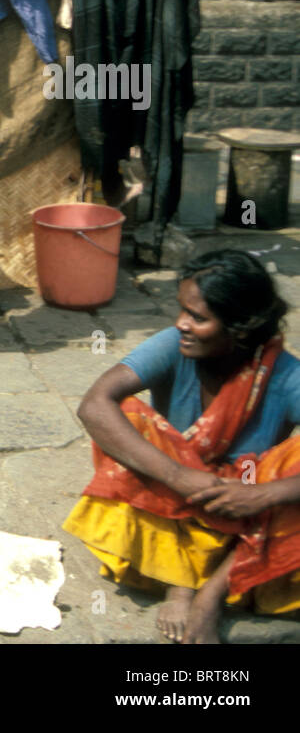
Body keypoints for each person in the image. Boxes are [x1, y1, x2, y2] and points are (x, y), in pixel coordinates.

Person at [64, 250, 300, 644]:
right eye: (182, 311)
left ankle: (212, 593)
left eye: (199, 318)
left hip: (245, 508)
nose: (181, 324)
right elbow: (94, 405)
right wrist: (181, 476)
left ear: (240, 328)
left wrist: (263, 493)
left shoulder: (286, 374)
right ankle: (179, 582)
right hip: (173, 496)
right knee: (127, 417)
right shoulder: (174, 344)